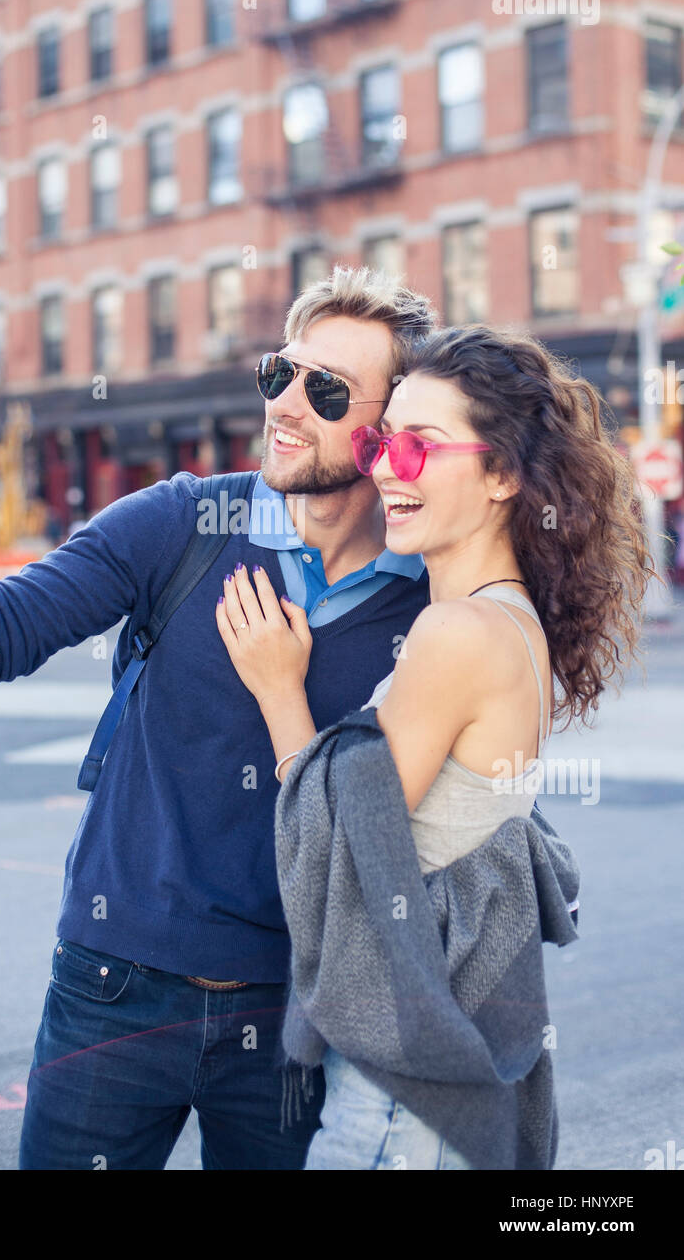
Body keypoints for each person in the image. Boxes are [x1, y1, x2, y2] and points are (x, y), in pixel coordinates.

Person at [0, 266, 434, 1171]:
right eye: (279, 374)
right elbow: (9, 617)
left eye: (326, 391)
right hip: (114, 984)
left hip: (297, 1014)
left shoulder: (427, 597)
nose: (286, 406)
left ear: (390, 432)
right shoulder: (183, 520)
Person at [216, 323, 653, 1170]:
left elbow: (338, 853)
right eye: (382, 441)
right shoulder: (507, 619)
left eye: (419, 449)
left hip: (397, 1113)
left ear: (500, 474)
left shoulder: (457, 631)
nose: (384, 468)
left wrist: (277, 688)